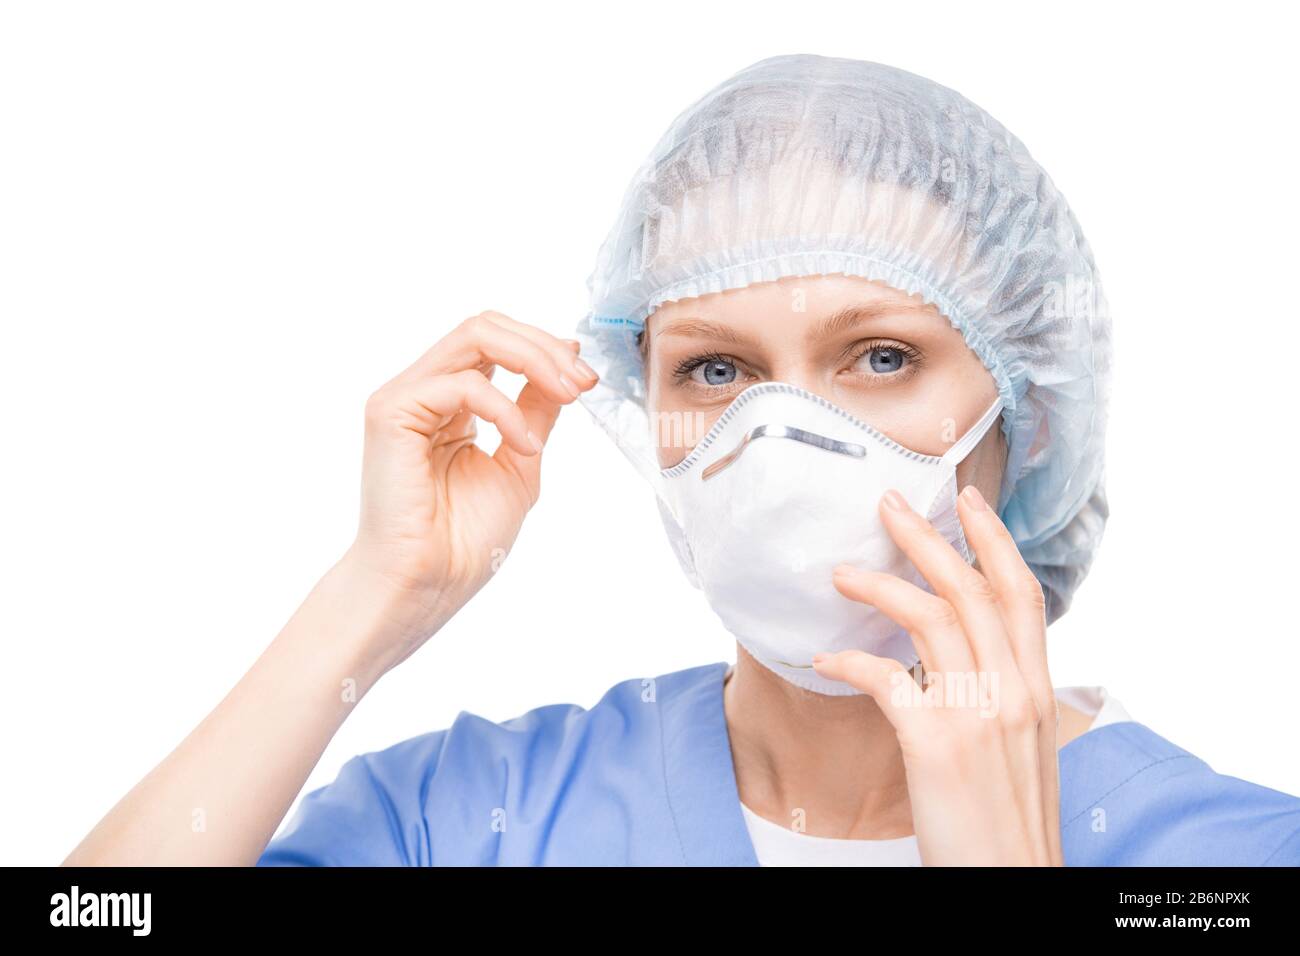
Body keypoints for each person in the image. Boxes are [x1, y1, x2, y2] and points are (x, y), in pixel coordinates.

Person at [63, 54, 1300, 867]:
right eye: (715, 370)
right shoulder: (476, 815)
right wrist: (368, 602)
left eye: (877, 356)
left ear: (1026, 414)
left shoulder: (1218, 860)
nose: (783, 435)